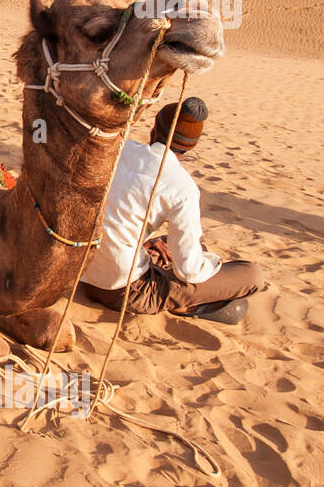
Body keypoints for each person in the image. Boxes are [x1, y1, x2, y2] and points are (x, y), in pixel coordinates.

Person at [81, 98, 265, 322]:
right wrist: (210, 261)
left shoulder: (121, 149)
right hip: (121, 291)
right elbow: (190, 271)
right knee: (252, 275)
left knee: (169, 244)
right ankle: (184, 303)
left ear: (154, 128)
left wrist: (143, 244)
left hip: (82, 271)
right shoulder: (182, 186)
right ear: (192, 145)